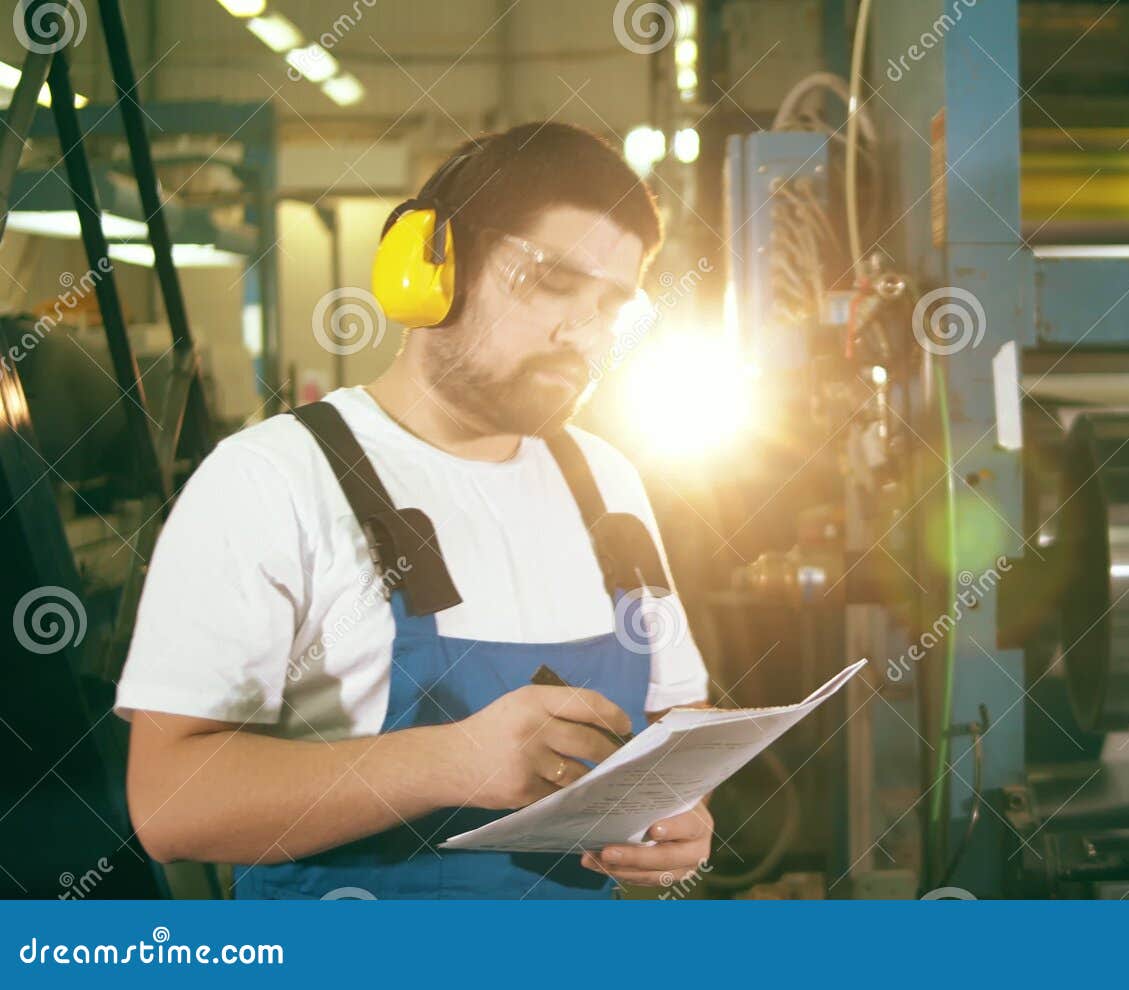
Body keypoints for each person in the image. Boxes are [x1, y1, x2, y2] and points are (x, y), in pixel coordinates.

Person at [116, 122, 713, 899]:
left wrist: (681, 810)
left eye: (611, 306)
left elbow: (676, 713)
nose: (582, 333)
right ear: (432, 269)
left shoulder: (605, 482)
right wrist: (453, 762)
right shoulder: (270, 480)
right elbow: (169, 805)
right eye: (552, 284)